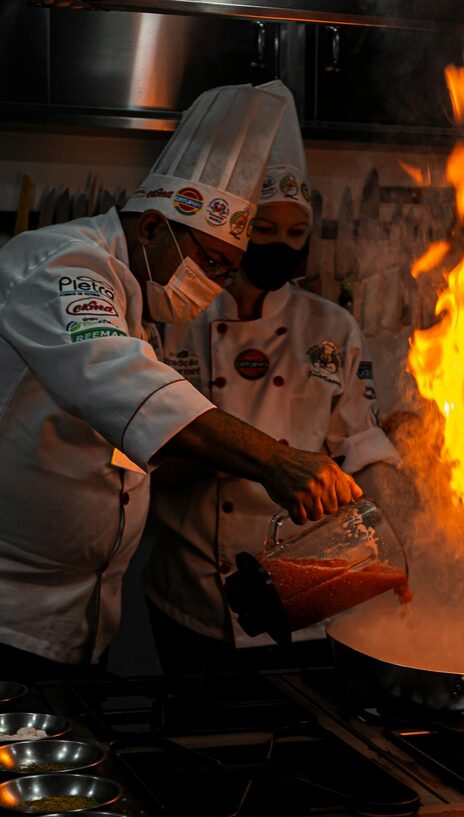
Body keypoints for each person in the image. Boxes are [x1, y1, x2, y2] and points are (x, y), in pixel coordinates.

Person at [0, 83, 360, 680]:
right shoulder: (60, 263)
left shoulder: (141, 302)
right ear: (151, 230)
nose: (216, 284)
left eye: (226, 269)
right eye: (211, 263)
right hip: (11, 613)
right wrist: (274, 460)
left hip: (86, 616)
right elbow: (119, 380)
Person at [144, 81, 402, 673]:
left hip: (308, 582)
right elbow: (140, 463)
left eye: (295, 233)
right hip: (192, 593)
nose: (281, 246)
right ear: (236, 231)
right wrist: (242, 455)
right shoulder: (175, 317)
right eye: (264, 231)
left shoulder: (331, 327)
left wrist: (398, 527)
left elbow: (359, 449)